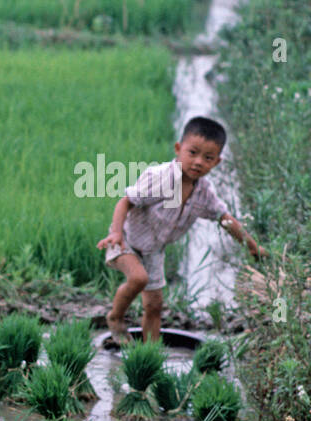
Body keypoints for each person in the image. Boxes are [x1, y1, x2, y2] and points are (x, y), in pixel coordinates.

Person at [97, 116, 267, 344]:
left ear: (217, 162)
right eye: (192, 153)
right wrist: (116, 233)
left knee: (154, 305)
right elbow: (125, 201)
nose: (198, 162)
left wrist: (253, 248)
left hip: (154, 250)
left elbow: (225, 219)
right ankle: (115, 317)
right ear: (178, 149)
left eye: (208, 158)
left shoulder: (204, 193)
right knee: (138, 278)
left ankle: (151, 353)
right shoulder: (161, 179)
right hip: (126, 240)